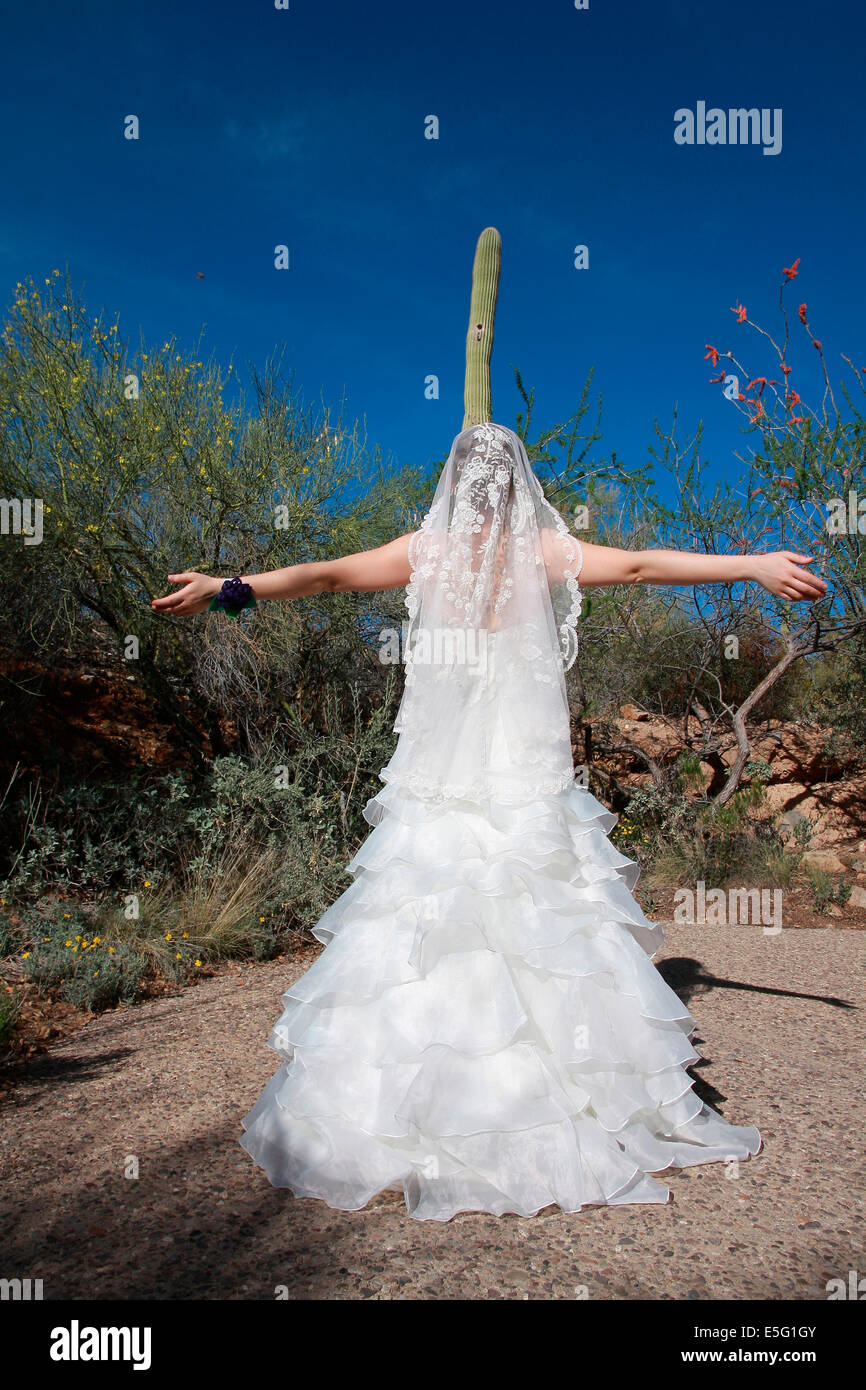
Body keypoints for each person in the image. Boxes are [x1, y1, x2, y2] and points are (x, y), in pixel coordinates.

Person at [151, 422, 826, 1221]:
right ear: (518, 481)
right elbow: (645, 564)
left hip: (440, 772)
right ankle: (542, 1098)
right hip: (520, 771)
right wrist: (751, 563)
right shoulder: (541, 551)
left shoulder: (427, 550)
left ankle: (425, 1098)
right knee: (543, 914)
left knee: (427, 913)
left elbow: (327, 577)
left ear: (454, 478)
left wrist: (231, 587)